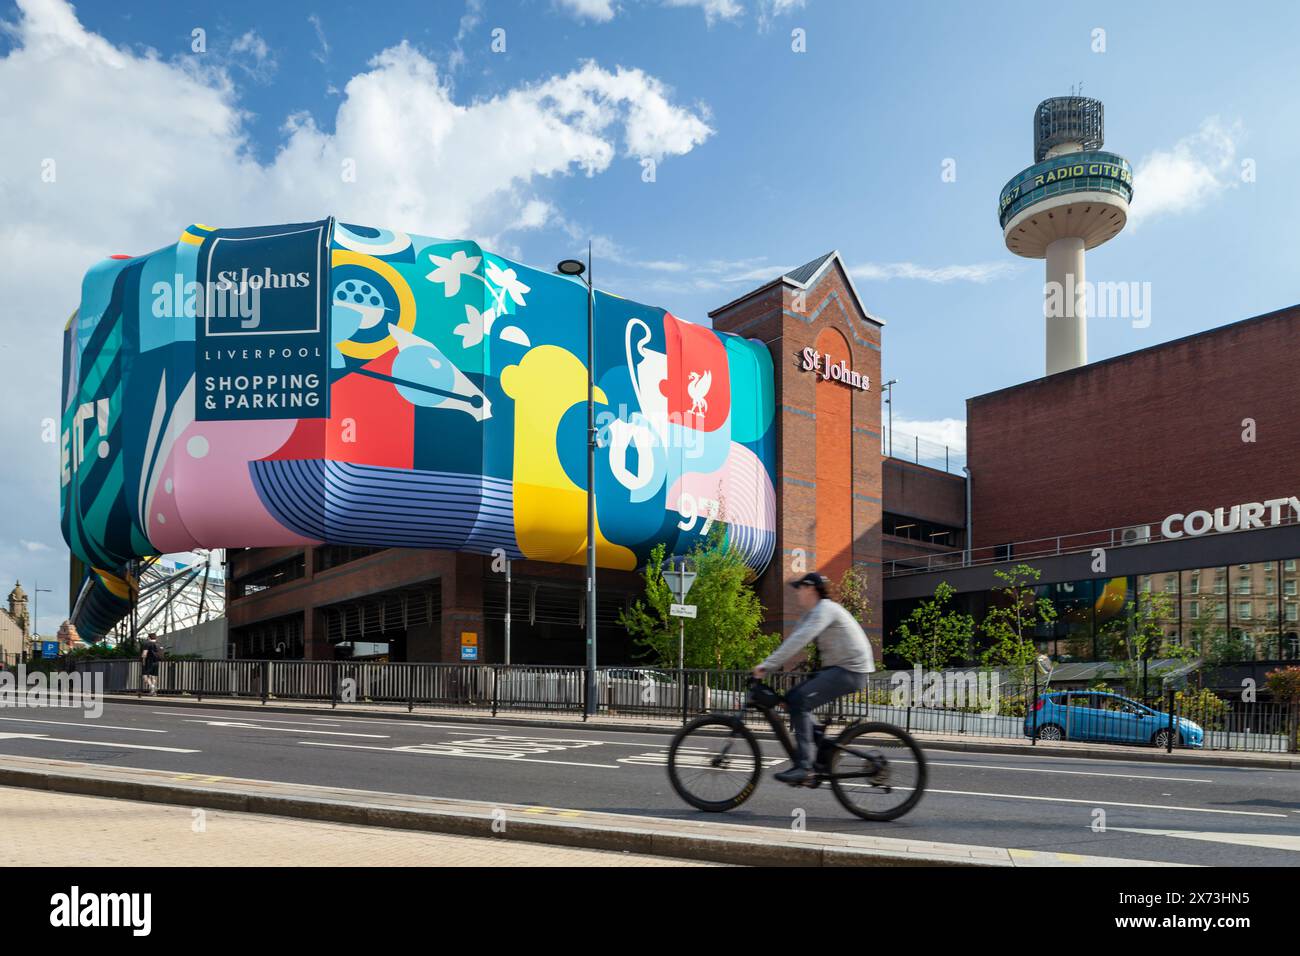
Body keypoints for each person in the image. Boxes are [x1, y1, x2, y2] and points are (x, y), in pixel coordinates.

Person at [753, 572, 875, 784]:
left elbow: (799, 641)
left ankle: (805, 767)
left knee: (800, 700)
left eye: (799, 588)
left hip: (851, 670)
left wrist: (766, 666)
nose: (797, 593)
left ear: (810, 588)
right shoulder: (810, 615)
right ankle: (820, 740)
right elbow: (790, 640)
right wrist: (768, 662)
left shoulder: (825, 609)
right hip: (838, 668)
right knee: (791, 698)